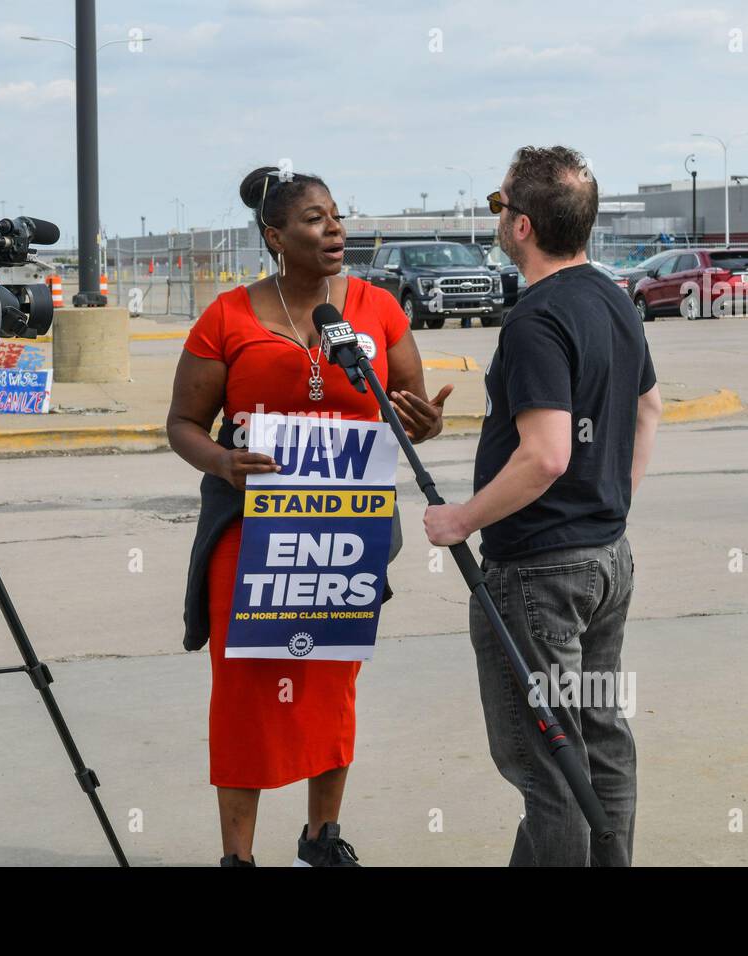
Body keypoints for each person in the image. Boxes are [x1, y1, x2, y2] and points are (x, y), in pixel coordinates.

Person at [167, 166, 453, 867]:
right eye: (315, 219)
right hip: (250, 534)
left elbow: (412, 409)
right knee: (243, 691)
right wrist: (221, 462)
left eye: (337, 216)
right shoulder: (227, 316)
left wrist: (427, 423)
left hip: (343, 538)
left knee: (329, 684)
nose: (335, 229)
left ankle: (322, 838)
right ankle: (238, 855)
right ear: (275, 236)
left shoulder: (378, 309)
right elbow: (182, 423)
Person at [423, 146, 662, 866]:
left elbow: (547, 453)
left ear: (522, 226)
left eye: (499, 206)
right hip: (604, 559)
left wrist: (461, 520)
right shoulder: (614, 298)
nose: (497, 218)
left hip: (538, 574)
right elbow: (648, 408)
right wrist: (609, 506)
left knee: (551, 761)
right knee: (601, 735)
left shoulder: (536, 319)